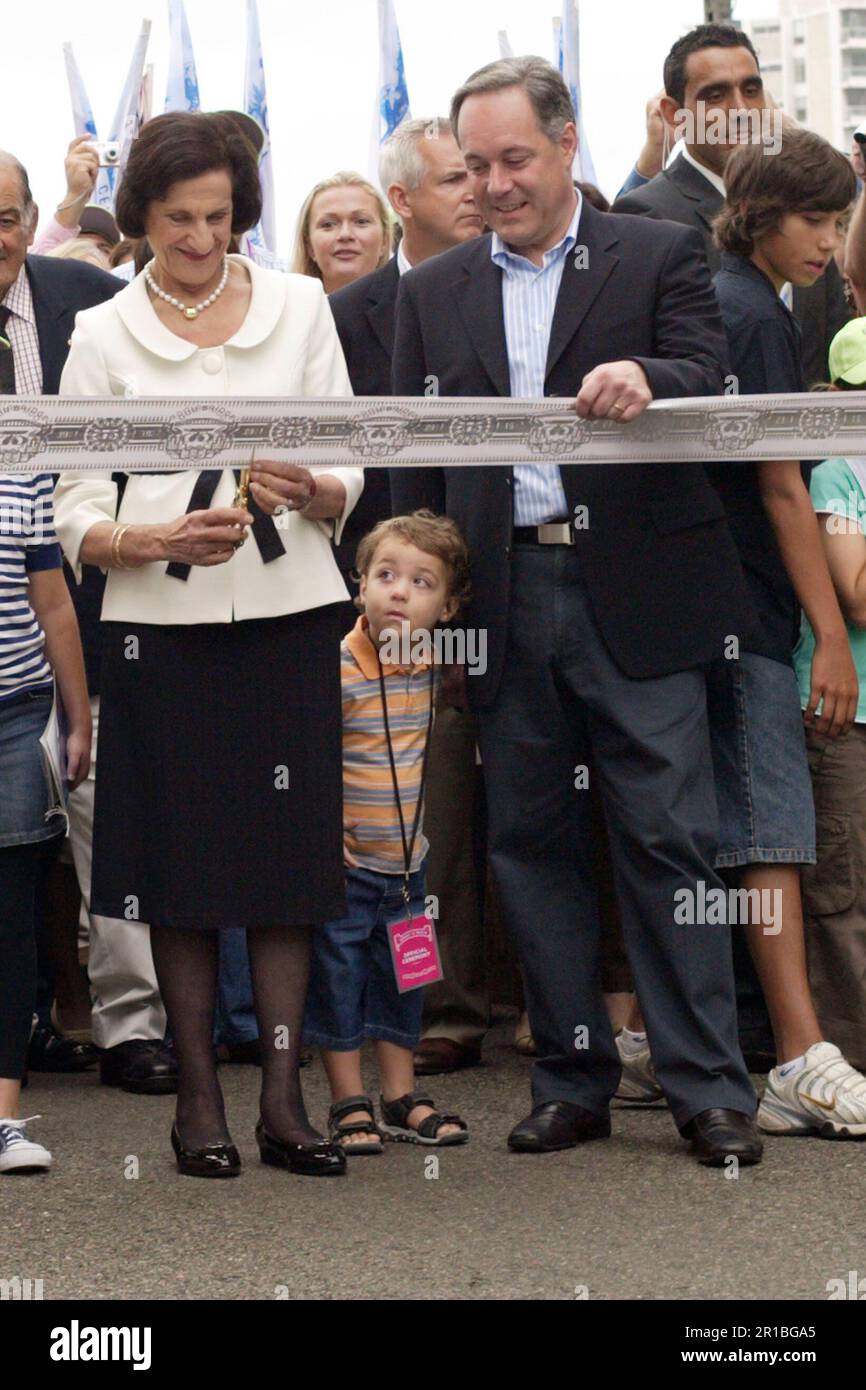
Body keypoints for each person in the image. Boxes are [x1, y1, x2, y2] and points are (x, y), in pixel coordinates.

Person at [391, 55, 762, 1166]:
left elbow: (710, 371)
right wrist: (426, 607)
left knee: (670, 841)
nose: (494, 184)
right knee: (528, 848)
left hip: (637, 597)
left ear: (564, 144)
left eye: (513, 159)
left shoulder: (656, 249)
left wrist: (649, 374)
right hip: (499, 596)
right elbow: (414, 467)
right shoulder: (432, 291)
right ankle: (569, 1079)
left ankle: (708, 1090)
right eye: (475, 166)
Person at [54, 110, 363, 1179]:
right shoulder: (99, 333)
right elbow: (72, 497)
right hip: (156, 630)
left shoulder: (300, 304)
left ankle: (283, 1101)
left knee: (284, 871)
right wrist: (142, 537)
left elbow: (353, 457)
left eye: (220, 217)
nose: (200, 239)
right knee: (178, 870)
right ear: (140, 217)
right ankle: (196, 1099)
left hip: (286, 616)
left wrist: (316, 486)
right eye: (179, 219)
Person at [621, 130, 866, 1138]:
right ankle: (796, 1055)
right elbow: (780, 487)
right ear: (761, 213)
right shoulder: (750, 312)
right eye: (815, 218)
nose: (827, 240)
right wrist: (829, 634)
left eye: (839, 221)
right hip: (747, 609)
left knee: (706, 831)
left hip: (698, 601)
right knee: (767, 833)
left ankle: (662, 1037)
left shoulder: (729, 297)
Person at [330, 117, 490, 1078]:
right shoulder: (346, 317)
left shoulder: (503, 289)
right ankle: (384, 1033)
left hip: (476, 599)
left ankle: (455, 1009)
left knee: (451, 820)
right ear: (404, 201)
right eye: (452, 177)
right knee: (394, 819)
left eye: (480, 171)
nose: (474, 189)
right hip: (383, 615)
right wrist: (386, 598)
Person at [304, 512, 470, 1150]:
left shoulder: (434, 667)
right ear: (359, 586)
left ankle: (401, 1097)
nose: (399, 591)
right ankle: (348, 1101)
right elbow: (308, 758)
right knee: (339, 978)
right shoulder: (336, 668)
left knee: (409, 976)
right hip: (348, 864)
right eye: (386, 575)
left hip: (409, 866)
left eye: (422, 582)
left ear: (448, 607)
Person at [612, 23, 849, 389]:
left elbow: (831, 347)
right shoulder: (647, 216)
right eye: (715, 95)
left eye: (751, 90)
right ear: (675, 114)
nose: (740, 109)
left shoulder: (810, 212)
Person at [793, 320, 866, 1088]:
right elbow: (858, 594)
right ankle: (851, 1056)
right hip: (848, 716)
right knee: (845, 892)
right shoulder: (837, 476)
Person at [290, 172, 391, 294]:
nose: (345, 235)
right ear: (309, 245)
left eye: (361, 221)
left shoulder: (410, 308)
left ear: (384, 240)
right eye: (328, 225)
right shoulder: (286, 310)